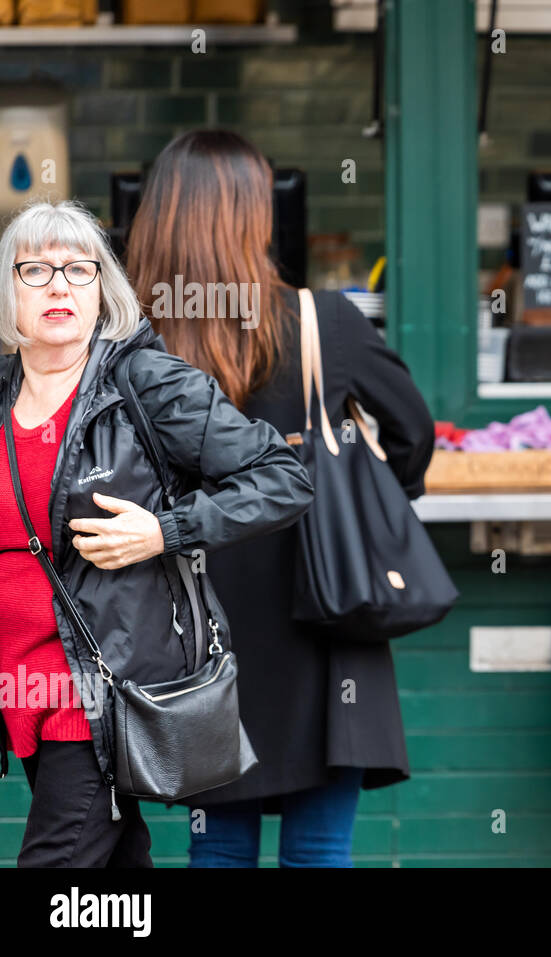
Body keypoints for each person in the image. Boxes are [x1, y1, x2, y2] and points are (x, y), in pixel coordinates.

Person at [125, 130, 436, 868]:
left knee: (220, 849)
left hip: (196, 629)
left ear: (158, 218)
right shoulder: (323, 323)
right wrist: (362, 500)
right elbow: (414, 435)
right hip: (327, 609)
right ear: (253, 216)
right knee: (320, 847)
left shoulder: (131, 340)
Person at [0, 200, 313, 867]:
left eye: (79, 269)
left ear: (101, 289)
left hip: (94, 693)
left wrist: (165, 530)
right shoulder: (1, 398)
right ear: (9, 289)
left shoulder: (142, 384)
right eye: (36, 270)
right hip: (17, 685)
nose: (59, 284)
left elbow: (283, 477)